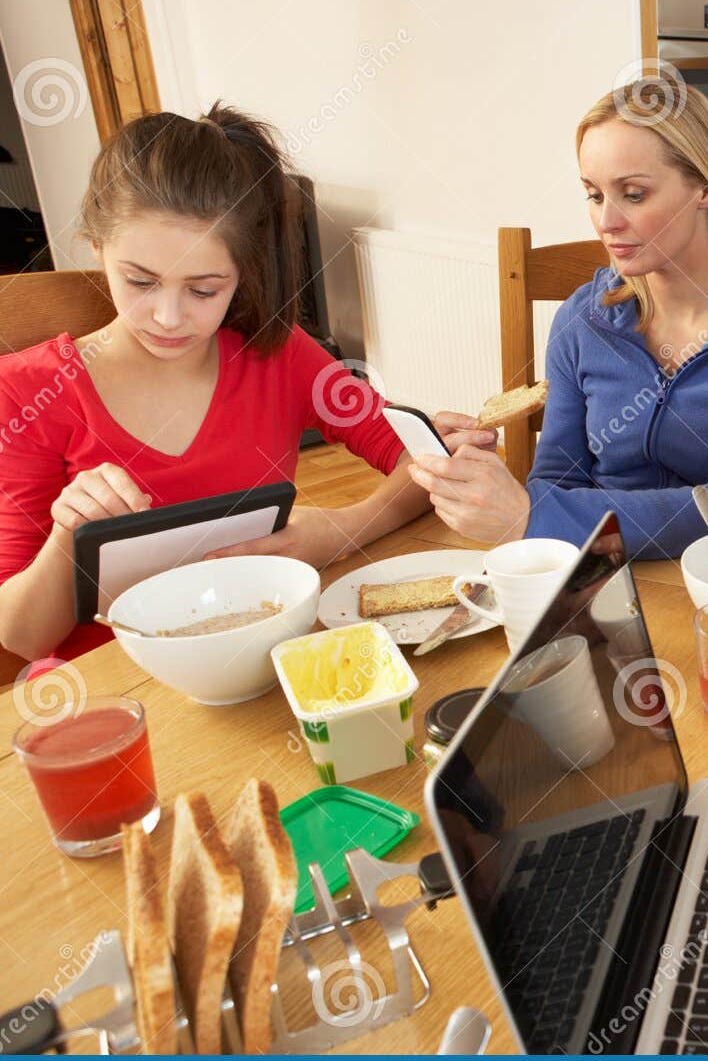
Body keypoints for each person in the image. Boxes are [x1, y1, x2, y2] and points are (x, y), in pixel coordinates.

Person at [0, 104, 433, 666]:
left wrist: (343, 528)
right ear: (96, 247)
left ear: (243, 272)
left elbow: (423, 462)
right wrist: (69, 538)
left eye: (203, 289)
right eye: (140, 282)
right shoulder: (28, 391)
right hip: (116, 688)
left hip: (263, 653)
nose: (169, 316)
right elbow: (23, 634)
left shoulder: (278, 355)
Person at [408, 80, 708, 558]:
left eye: (633, 194)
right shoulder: (581, 320)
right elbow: (559, 477)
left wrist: (534, 515)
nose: (606, 222)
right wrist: (493, 487)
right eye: (594, 195)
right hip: (586, 572)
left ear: (706, 186)